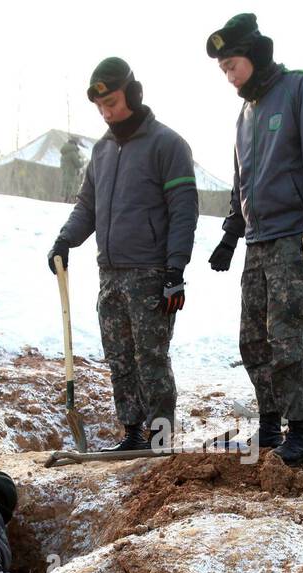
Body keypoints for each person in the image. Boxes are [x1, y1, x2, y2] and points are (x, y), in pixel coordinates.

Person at [205, 13, 303, 466]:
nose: (229, 76)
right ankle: (270, 424)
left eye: (233, 65)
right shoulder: (245, 114)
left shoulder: (300, 87)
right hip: (257, 242)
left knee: (289, 337)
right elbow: (241, 180)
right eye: (223, 70)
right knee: (253, 340)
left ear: (255, 54)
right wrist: (231, 232)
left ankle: (301, 429)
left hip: (294, 238)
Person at [49, 59, 199, 452]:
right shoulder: (101, 151)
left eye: (112, 102)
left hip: (151, 273)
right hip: (110, 274)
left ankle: (160, 438)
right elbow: (87, 207)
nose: (106, 112)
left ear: (133, 94)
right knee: (119, 358)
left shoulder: (167, 145)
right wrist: (65, 241)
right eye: (100, 106)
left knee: (151, 359)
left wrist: (175, 270)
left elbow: (184, 210)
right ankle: (132, 433)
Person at [59, 137, 83, 202]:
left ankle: (66, 201)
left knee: (66, 187)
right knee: (72, 188)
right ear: (74, 144)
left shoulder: (64, 152)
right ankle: (70, 202)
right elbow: (78, 164)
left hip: (65, 172)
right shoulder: (72, 153)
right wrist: (82, 161)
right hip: (72, 173)